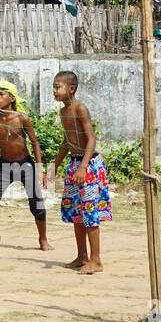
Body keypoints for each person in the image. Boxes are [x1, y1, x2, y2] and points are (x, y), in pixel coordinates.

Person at [49, 70, 109, 274]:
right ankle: (82, 256)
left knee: (90, 213)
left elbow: (91, 139)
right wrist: (56, 164)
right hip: (75, 164)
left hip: (88, 164)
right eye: (54, 86)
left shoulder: (80, 109)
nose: (54, 90)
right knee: (76, 213)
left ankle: (96, 260)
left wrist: (83, 166)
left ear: (71, 89)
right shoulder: (64, 112)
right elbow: (68, 141)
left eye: (58, 86)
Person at [0, 80, 50, 251]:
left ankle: (43, 239)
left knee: (37, 205)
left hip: (25, 165)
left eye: (1, 94)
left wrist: (40, 169)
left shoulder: (22, 119)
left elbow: (35, 143)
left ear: (11, 98)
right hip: (5, 166)